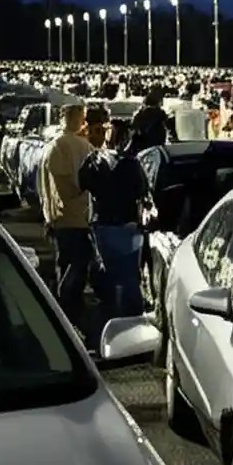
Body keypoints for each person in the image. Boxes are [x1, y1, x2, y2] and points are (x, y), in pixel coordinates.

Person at [79, 115, 149, 325]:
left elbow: (82, 182)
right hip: (128, 225)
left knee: (110, 272)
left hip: (103, 224)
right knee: (129, 276)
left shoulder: (95, 160)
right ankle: (131, 319)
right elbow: (143, 190)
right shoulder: (132, 164)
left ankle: (111, 316)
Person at [38, 103, 95, 331]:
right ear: (78, 119)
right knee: (76, 267)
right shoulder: (80, 147)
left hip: (58, 218)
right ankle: (67, 315)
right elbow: (68, 187)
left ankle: (67, 312)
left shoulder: (52, 147)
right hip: (75, 217)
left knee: (66, 264)